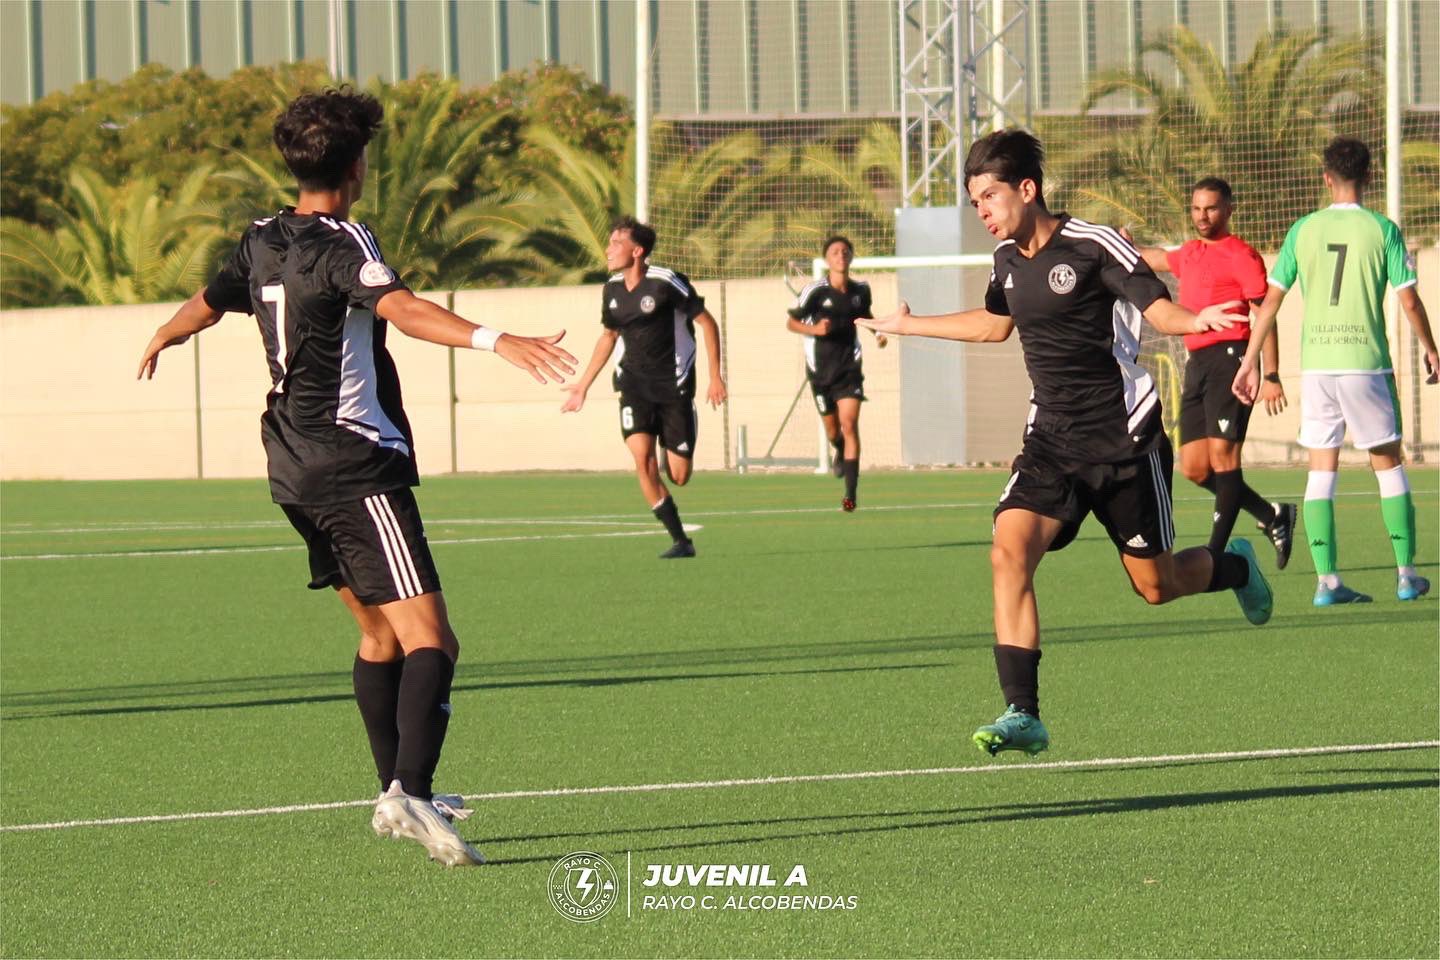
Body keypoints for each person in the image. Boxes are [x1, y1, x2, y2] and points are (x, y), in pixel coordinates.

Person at [136, 88, 576, 866]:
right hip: (354, 464)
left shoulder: (263, 238)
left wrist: (163, 335)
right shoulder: (346, 241)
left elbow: (209, 302)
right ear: (357, 164)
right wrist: (495, 338)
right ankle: (411, 789)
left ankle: (393, 791)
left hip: (291, 467)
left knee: (379, 636)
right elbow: (402, 310)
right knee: (433, 638)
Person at [859, 129, 1272, 758]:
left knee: (1155, 586)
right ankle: (1022, 710)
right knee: (1007, 552)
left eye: (989, 197)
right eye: (975, 203)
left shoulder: (1092, 243)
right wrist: (908, 324)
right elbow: (995, 326)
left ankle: (1236, 564)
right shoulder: (1006, 262)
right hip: (1050, 442)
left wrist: (1197, 320)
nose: (983, 212)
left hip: (1126, 444)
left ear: (1027, 189)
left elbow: (1157, 310)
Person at [1234, 136, 1438, 605]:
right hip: (1366, 366)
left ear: (1326, 177)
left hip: (1320, 367)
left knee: (1320, 471)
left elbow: (1270, 303)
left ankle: (1327, 582)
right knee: (1388, 464)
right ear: (1369, 177)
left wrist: (1250, 364)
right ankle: (1406, 574)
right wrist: (1431, 348)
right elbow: (1408, 299)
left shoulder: (1302, 230)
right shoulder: (1383, 229)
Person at [1127, 178, 1297, 566]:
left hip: (1232, 359)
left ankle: (1214, 553)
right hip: (1198, 363)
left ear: (1229, 209)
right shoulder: (1190, 252)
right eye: (1197, 208)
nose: (1203, 216)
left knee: (1224, 459)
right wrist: (1122, 245)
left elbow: (1264, 315)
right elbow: (1152, 258)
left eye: (1211, 208)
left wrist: (1269, 374)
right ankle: (1273, 515)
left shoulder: (1242, 255)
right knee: (1194, 467)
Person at [560, 216, 727, 558]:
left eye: (615, 243)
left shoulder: (666, 283)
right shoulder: (612, 290)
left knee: (679, 475)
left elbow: (707, 323)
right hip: (633, 385)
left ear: (637, 251)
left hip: (674, 387)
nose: (608, 250)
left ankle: (679, 440)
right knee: (643, 462)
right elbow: (608, 336)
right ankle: (681, 540)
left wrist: (715, 376)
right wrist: (583, 386)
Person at [787, 235, 885, 511]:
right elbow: (792, 322)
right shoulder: (815, 291)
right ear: (827, 259)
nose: (841, 255)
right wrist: (814, 330)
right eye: (835, 252)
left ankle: (850, 494)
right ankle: (839, 449)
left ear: (851, 256)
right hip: (820, 372)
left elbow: (865, 315)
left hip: (849, 369)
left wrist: (878, 333)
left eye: (845, 251)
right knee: (833, 430)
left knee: (849, 423)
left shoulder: (860, 290)